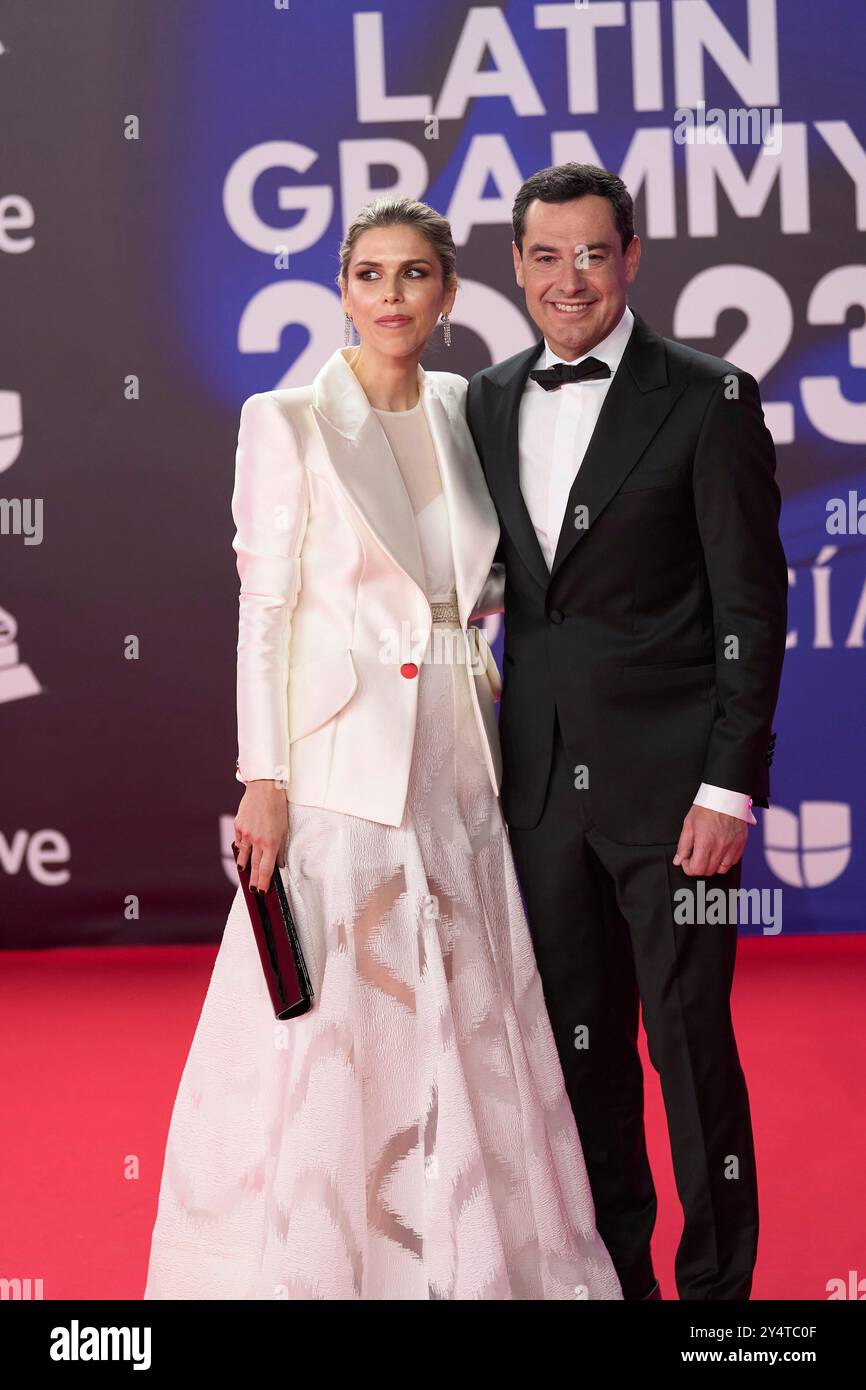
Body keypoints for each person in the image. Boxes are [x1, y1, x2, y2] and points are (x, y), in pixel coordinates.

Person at [143, 195, 623, 1301]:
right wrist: (262, 778)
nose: (391, 296)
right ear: (342, 290)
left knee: (466, 1004)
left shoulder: (466, 406)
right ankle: (330, 1263)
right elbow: (265, 610)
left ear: (447, 293)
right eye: (369, 274)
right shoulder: (287, 419)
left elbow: (484, 574)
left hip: (459, 753)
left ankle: (462, 1260)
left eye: (414, 274)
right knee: (340, 1017)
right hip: (338, 767)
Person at [465, 163, 788, 1301]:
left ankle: (717, 1304)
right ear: (516, 266)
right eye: (546, 256)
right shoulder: (485, 400)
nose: (571, 280)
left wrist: (728, 786)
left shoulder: (710, 397)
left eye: (593, 254)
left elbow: (752, 608)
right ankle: (619, 1286)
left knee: (691, 1047)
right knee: (579, 1056)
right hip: (539, 796)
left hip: (675, 800)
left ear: (632, 258)